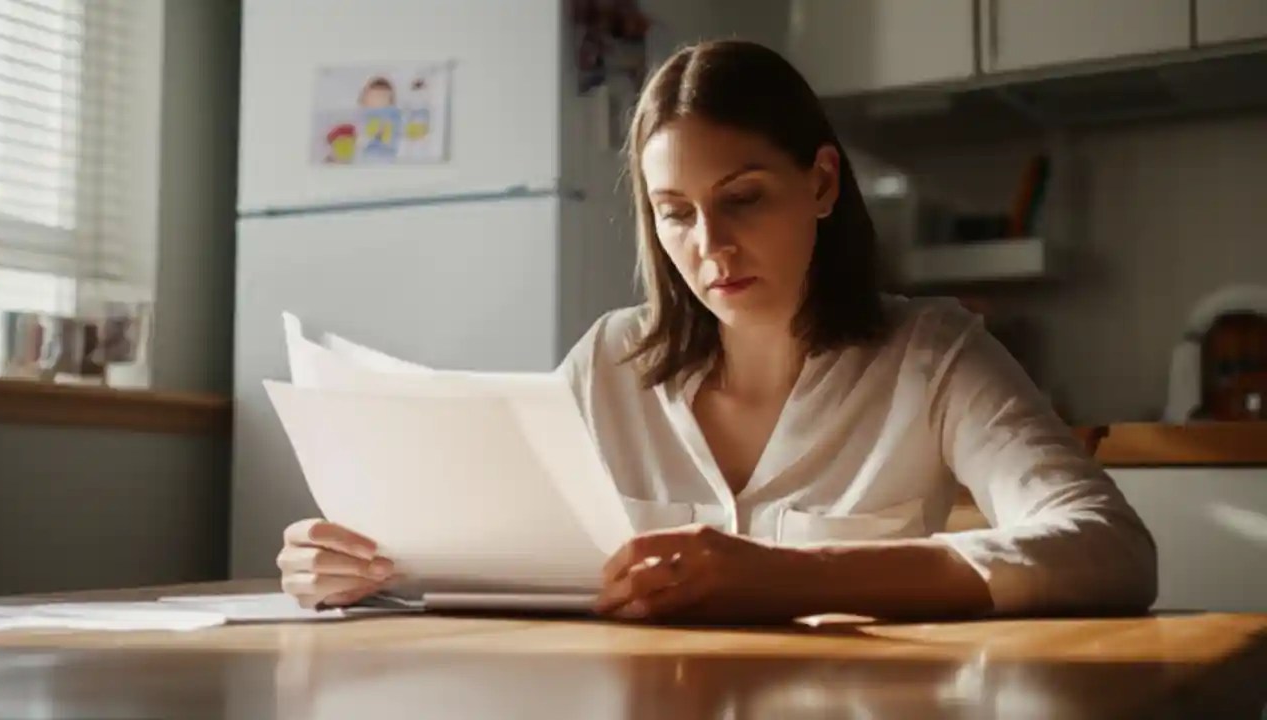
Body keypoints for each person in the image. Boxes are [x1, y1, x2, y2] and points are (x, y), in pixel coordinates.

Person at [278, 40, 1157, 623]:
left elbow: (1112, 549)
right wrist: (369, 569)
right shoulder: (608, 364)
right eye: (675, 214)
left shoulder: (932, 355)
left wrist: (794, 578)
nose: (710, 246)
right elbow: (517, 565)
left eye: (742, 199)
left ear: (819, 185)